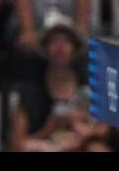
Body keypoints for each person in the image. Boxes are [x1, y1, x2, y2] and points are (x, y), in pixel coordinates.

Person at [8, 15, 101, 151]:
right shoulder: (30, 91)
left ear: (75, 49)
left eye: (66, 41)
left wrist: (85, 133)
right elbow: (16, 144)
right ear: (45, 49)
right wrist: (50, 128)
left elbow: (105, 130)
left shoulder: (91, 86)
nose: (60, 46)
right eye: (53, 41)